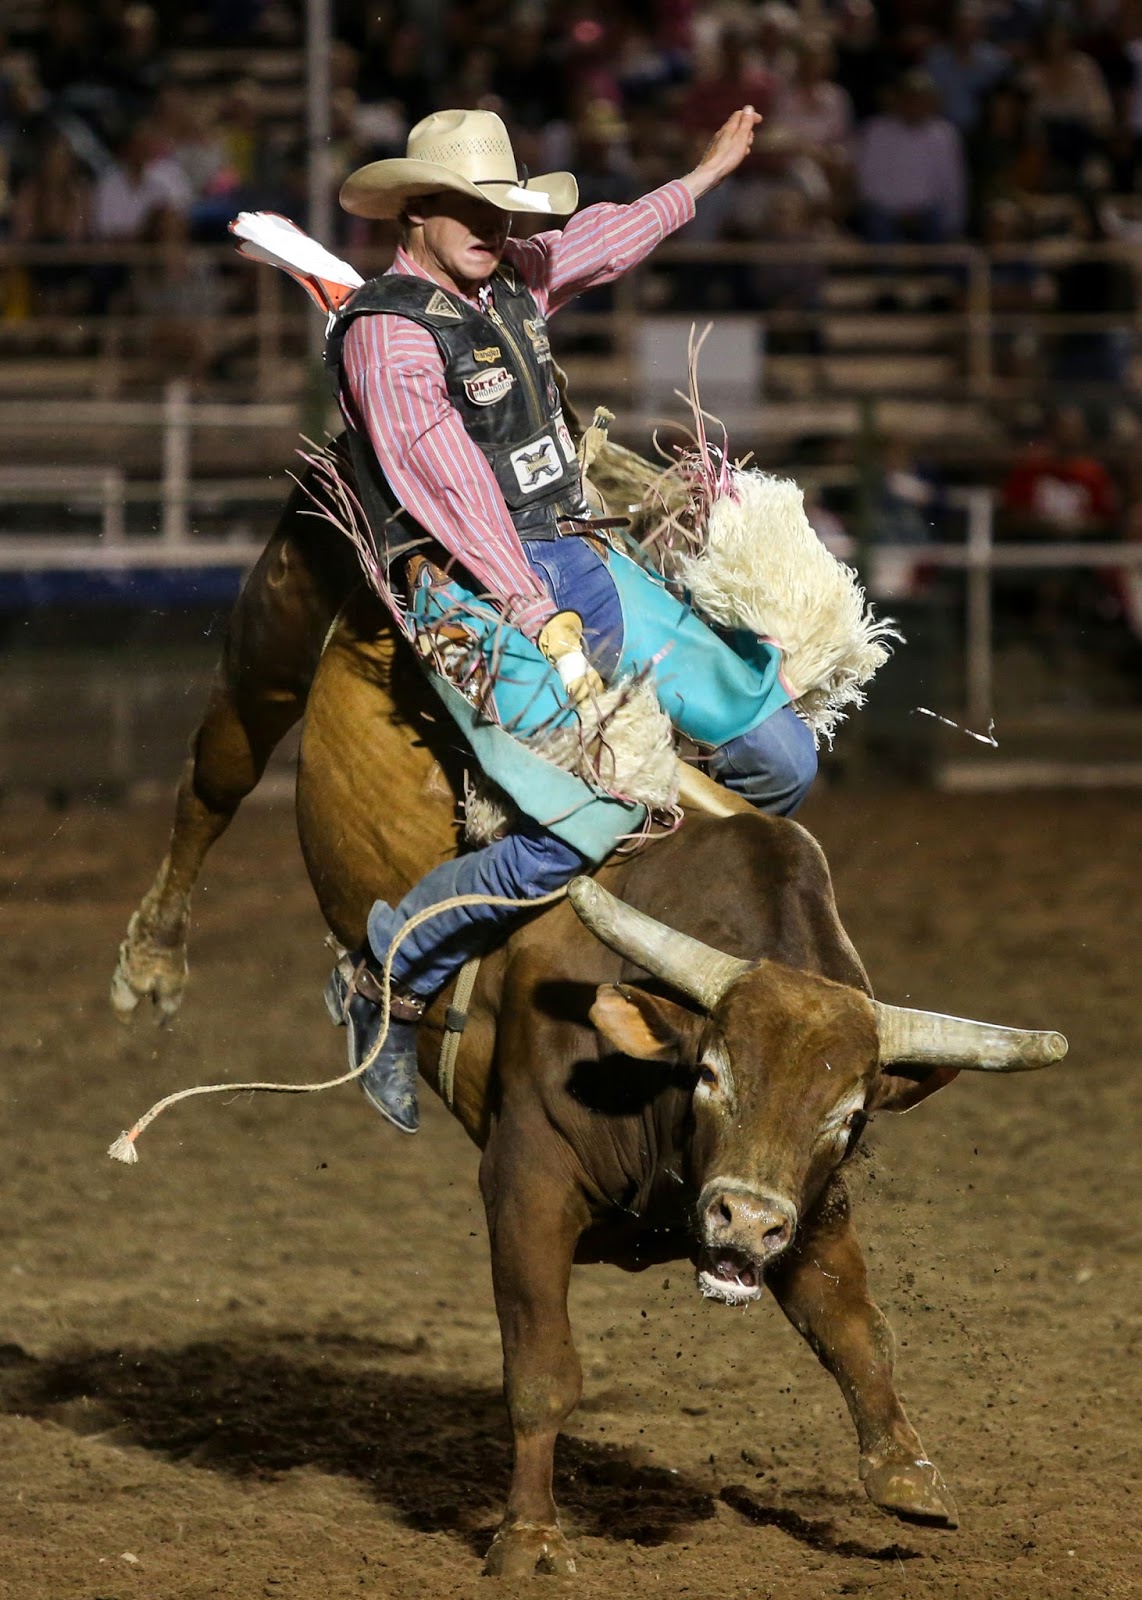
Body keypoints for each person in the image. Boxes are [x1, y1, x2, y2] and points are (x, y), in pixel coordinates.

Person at [322, 105, 819, 1133]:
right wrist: (534, 615)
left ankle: (643, 899)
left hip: (579, 555)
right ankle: (387, 968)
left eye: (499, 208)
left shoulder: (507, 275)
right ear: (412, 210)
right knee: (581, 820)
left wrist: (704, 172)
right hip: (470, 588)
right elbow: (448, 488)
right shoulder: (385, 332)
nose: (489, 226)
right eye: (466, 205)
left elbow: (602, 236)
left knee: (780, 756)